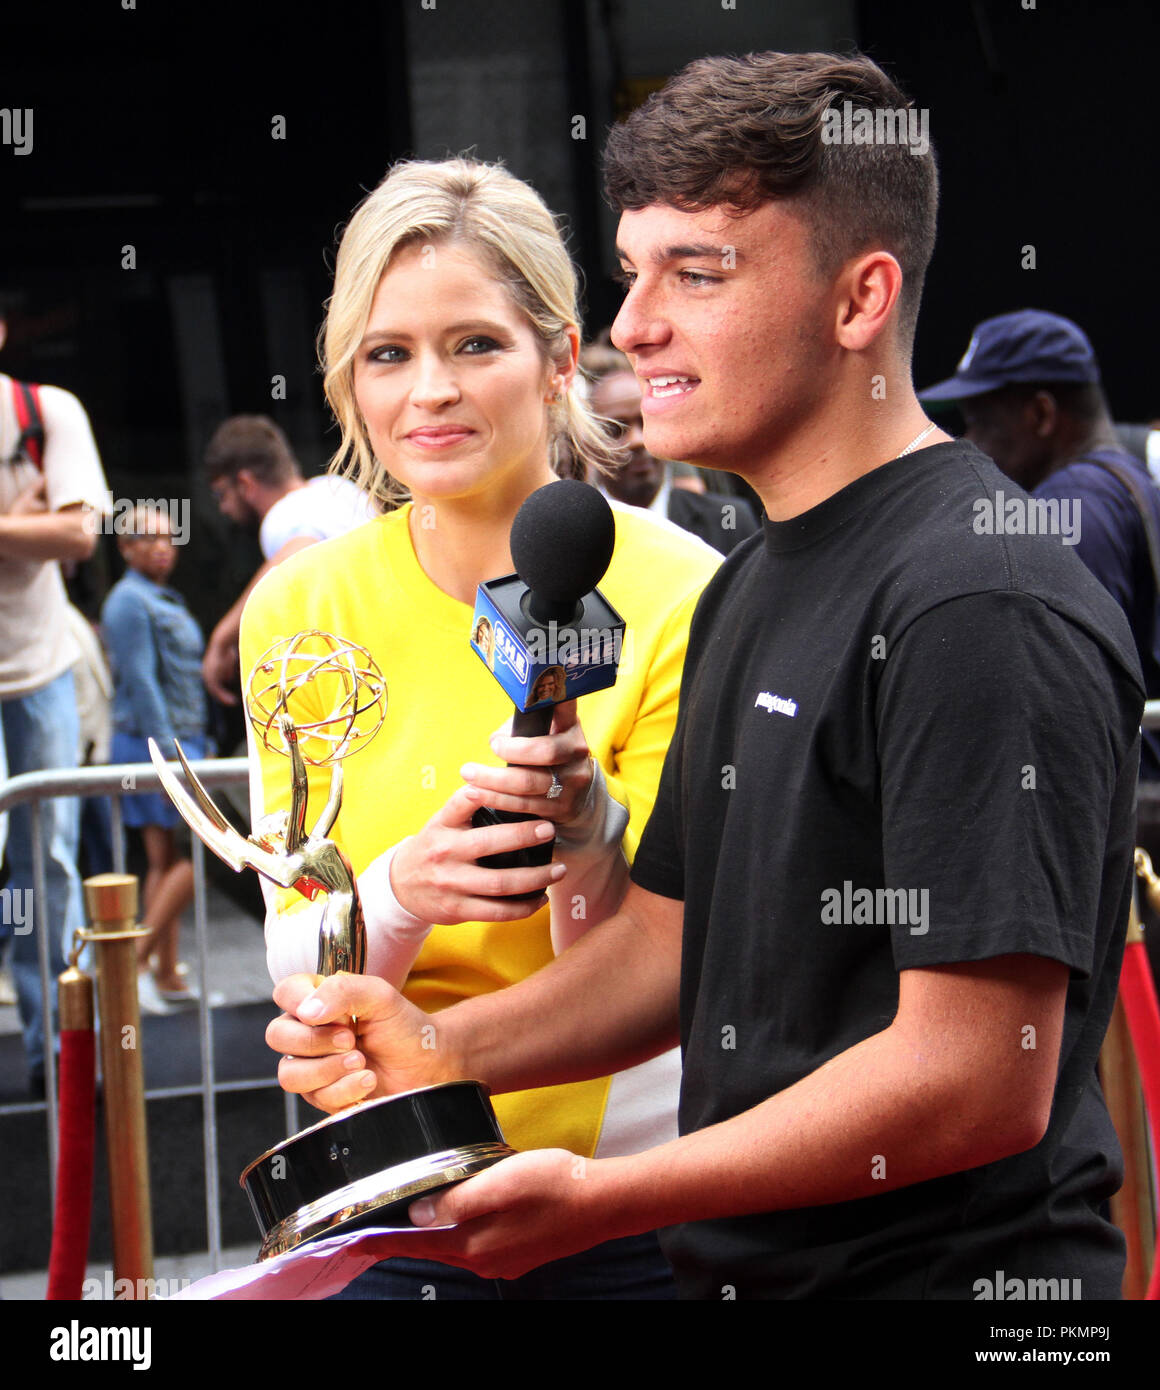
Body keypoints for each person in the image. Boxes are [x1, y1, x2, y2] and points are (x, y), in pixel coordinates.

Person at [268, 51, 1143, 1301]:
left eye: (697, 271)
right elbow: (672, 950)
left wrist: (607, 1198)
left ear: (859, 301)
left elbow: (976, 1076)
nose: (633, 326)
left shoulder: (977, 597)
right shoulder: (753, 581)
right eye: (633, 272)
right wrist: (436, 1043)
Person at [240, 157, 720, 1298]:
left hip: (629, 1205)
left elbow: (664, 961)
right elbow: (295, 941)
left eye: (474, 344)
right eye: (387, 354)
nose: (429, 393)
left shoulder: (689, 593)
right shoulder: (299, 611)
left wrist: (583, 841)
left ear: (560, 356)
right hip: (386, 1200)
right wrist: (402, 888)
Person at [919, 309, 1160, 781]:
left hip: (1118, 809)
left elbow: (1059, 697)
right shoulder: (1131, 483)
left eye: (980, 421)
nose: (968, 442)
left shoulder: (1073, 504)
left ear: (1041, 414)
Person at [0, 298, 111, 1093]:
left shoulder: (43, 411)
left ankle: (62, 1060)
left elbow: (77, 534)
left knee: (49, 871)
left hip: (38, 673)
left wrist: (45, 524)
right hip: (36, 668)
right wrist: (18, 521)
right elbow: (53, 529)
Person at [102, 505, 209, 1010]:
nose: (163, 546)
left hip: (176, 741)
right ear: (124, 547)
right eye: (148, 538)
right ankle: (135, 965)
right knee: (195, 854)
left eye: (170, 537)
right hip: (158, 745)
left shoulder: (157, 596)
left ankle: (164, 974)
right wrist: (173, 755)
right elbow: (143, 684)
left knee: (165, 860)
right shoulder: (128, 601)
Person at [202, 415, 376, 704]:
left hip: (352, 676)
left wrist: (222, 637)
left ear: (245, 483)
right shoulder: (339, 489)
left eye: (222, 494)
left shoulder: (283, 515)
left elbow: (299, 551)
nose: (223, 508)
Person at [582, 341, 761, 554]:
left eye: (646, 421)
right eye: (617, 430)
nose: (637, 440)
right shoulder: (576, 535)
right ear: (590, 441)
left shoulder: (729, 518)